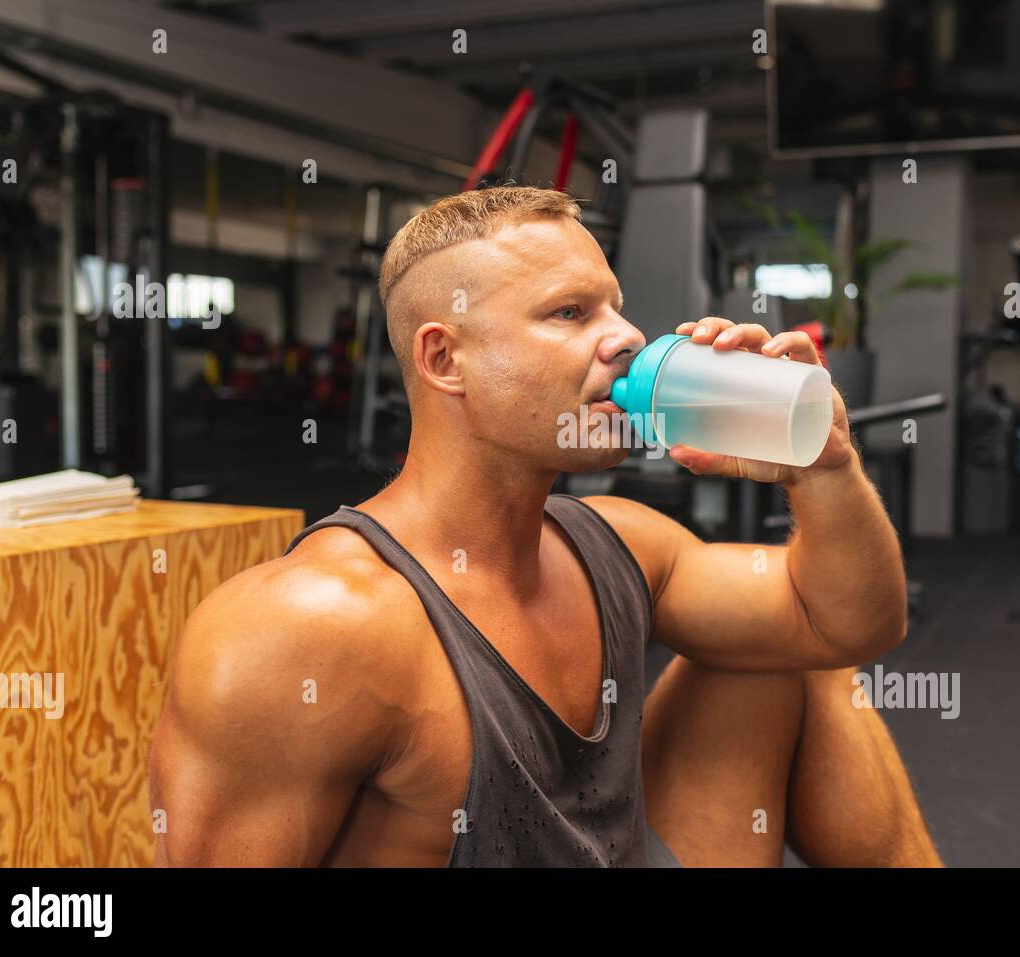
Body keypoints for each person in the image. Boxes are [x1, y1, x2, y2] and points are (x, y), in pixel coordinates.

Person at [149, 186, 941, 867]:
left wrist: (824, 467)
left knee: (785, 656)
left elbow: (848, 625)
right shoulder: (307, 627)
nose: (627, 337)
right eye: (569, 312)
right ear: (444, 359)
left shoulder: (619, 539)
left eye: (615, 307)